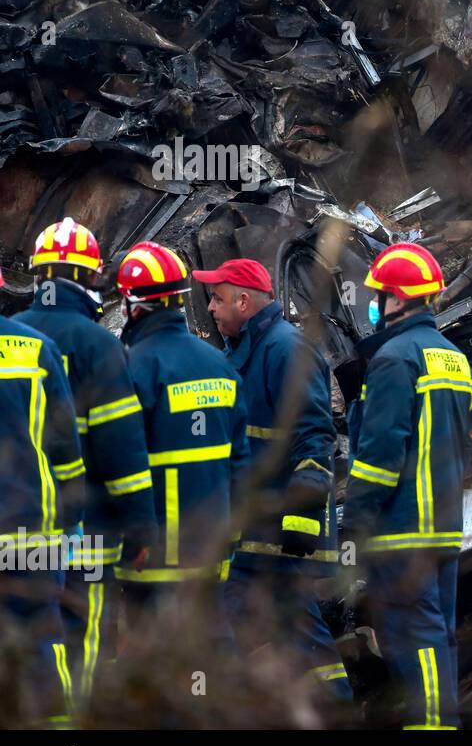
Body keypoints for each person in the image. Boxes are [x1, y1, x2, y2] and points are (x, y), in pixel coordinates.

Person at [193, 257, 351, 706]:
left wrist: (299, 524)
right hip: (254, 537)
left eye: (218, 299)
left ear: (244, 301)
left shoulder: (285, 350)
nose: (211, 309)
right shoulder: (245, 351)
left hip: (281, 539)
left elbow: (316, 439)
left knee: (291, 635)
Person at [14, 218, 155, 707]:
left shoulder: (17, 339)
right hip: (90, 530)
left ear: (39, 275)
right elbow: (123, 453)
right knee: (85, 638)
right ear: (91, 278)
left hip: (28, 530)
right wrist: (140, 528)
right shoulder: (102, 347)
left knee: (31, 642)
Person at [345, 242, 472, 729]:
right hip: (444, 531)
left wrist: (354, 526)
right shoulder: (455, 359)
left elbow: (379, 455)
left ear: (398, 299)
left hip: (403, 532)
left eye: (380, 294)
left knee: (413, 644)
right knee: (438, 640)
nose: (375, 302)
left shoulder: (395, 358)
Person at [114, 241, 249, 668]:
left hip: (156, 556)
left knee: (158, 669)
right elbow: (241, 464)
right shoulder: (219, 364)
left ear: (133, 304)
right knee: (210, 654)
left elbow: (121, 467)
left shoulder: (133, 369)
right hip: (213, 548)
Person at [0, 265, 85, 727]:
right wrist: (71, 521)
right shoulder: (36, 349)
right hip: (30, 536)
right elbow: (66, 451)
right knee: (41, 639)